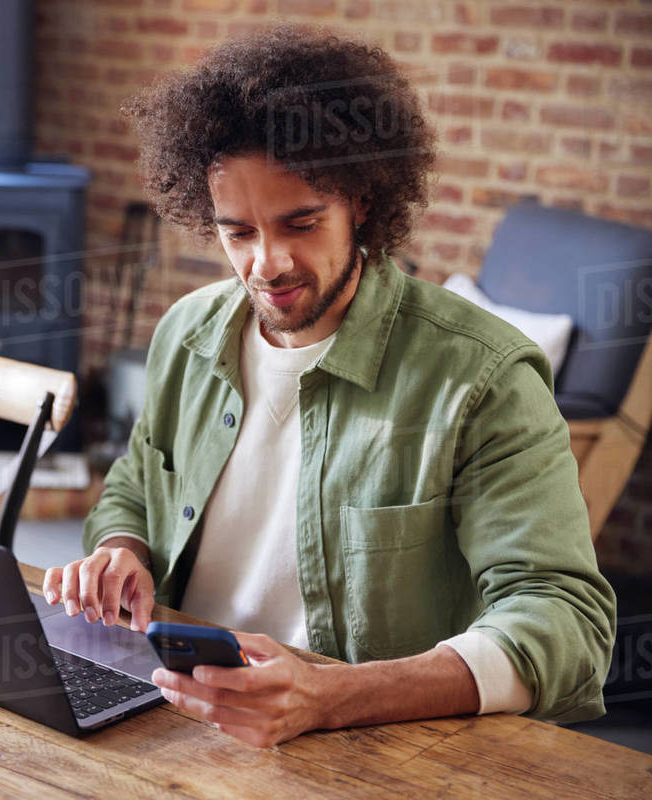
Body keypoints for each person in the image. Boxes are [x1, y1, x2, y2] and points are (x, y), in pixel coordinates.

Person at [43, 26, 616, 747]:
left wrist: (334, 695)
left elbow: (567, 621)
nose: (268, 263)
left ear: (365, 202)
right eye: (238, 232)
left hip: (372, 747)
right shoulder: (187, 334)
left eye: (301, 223)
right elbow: (136, 482)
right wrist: (125, 550)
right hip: (173, 720)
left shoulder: (481, 377)